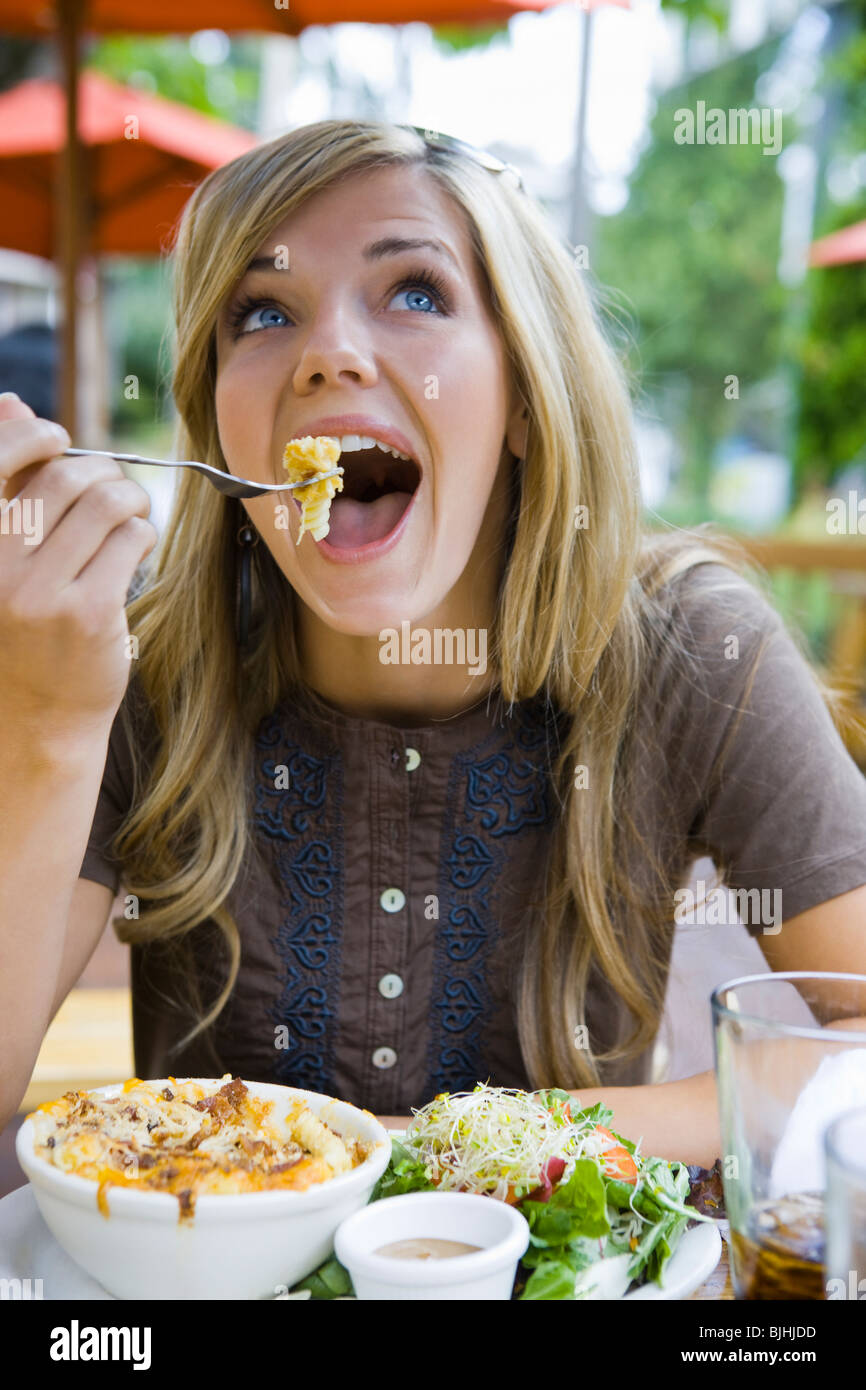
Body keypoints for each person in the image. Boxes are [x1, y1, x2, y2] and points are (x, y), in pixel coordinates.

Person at [2, 122, 865, 1168]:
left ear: (520, 393)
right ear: (216, 421)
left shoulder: (690, 646)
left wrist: (428, 1149)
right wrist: (42, 723)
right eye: (261, 312)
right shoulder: (124, 659)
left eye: (414, 291)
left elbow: (849, 1043)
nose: (328, 353)